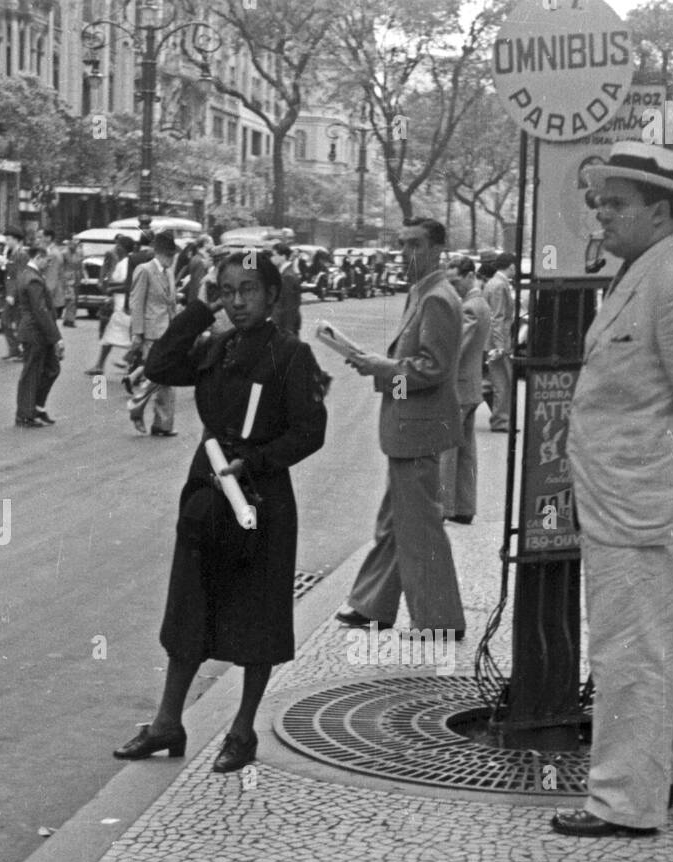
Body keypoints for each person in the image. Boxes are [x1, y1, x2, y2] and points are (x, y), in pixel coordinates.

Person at [551, 143, 673, 837]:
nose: (599, 214)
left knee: (625, 653)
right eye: (599, 200)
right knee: (647, 640)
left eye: (614, 204)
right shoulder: (643, 270)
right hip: (617, 497)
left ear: (662, 213)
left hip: (638, 505)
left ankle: (624, 802)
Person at [113, 250, 327, 774]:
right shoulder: (216, 346)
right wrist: (200, 311)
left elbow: (309, 432)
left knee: (257, 613)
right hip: (208, 490)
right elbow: (161, 365)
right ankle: (167, 722)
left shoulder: (291, 356)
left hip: (260, 497)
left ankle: (242, 729)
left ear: (273, 295)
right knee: (190, 605)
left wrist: (253, 460)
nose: (238, 300)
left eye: (248, 289)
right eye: (228, 290)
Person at [336, 216, 466, 638]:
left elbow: (432, 369)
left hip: (418, 429)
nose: (404, 253)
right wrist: (381, 369)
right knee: (396, 521)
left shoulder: (436, 299)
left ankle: (439, 621)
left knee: (419, 526)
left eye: (414, 245)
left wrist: (382, 369)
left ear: (436, 250)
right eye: (401, 244)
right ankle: (372, 604)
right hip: (410, 428)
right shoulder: (423, 293)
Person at [439, 256, 491, 524]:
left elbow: (455, 349)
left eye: (456, 281)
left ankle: (444, 507)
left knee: (447, 450)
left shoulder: (470, 307)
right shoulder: (477, 304)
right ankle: (463, 506)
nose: (453, 286)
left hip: (458, 389)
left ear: (470, 276)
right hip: (469, 388)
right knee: (465, 452)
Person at [127, 230, 179, 436]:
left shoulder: (169, 273)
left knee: (167, 378)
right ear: (160, 254)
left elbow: (171, 303)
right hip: (151, 333)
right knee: (156, 377)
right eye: (169, 255)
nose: (172, 259)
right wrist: (137, 333)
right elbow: (136, 303)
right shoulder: (145, 270)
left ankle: (163, 424)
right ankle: (136, 407)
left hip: (168, 332)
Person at [14, 242, 65, 427]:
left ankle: (36, 408)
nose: (49, 264)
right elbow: (40, 311)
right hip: (36, 333)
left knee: (51, 369)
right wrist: (56, 338)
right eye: (47, 260)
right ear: (38, 257)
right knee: (32, 372)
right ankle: (25, 414)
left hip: (36, 332)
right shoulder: (33, 279)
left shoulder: (27, 275)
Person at [87, 234, 135, 376]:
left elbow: (127, 285)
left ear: (121, 247)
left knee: (116, 337)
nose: (115, 247)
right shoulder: (124, 262)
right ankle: (104, 365)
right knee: (111, 337)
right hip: (120, 305)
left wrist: (110, 288)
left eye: (117, 245)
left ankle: (128, 365)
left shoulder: (126, 263)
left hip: (123, 306)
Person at [482, 251, 515, 432]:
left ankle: (501, 418)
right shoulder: (499, 286)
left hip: (492, 341)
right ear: (511, 266)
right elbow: (498, 317)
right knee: (503, 383)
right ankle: (501, 421)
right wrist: (501, 346)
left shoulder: (494, 283)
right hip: (497, 343)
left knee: (492, 381)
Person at [0, 227, 29, 361]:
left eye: (9, 239)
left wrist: (12, 294)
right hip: (11, 293)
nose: (7, 241)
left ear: (16, 240)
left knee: (13, 322)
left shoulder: (21, 255)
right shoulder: (12, 253)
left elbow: (19, 276)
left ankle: (21, 350)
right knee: (10, 322)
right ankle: (15, 350)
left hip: (16, 294)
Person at [270, 242, 302, 334]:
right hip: (283, 326)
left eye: (274, 255)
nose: (272, 258)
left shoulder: (288, 276)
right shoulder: (285, 273)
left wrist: (289, 330)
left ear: (283, 256)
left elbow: (290, 306)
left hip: (285, 327)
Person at [39, 229, 66, 320]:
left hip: (51, 293)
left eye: (41, 237)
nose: (39, 240)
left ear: (48, 238)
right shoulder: (51, 251)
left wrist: (47, 293)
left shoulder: (53, 254)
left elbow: (52, 276)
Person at [60, 237, 82, 327]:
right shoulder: (64, 253)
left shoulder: (78, 253)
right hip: (67, 277)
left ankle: (69, 318)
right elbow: (61, 266)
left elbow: (80, 265)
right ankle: (69, 319)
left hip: (76, 277)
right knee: (70, 299)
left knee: (74, 300)